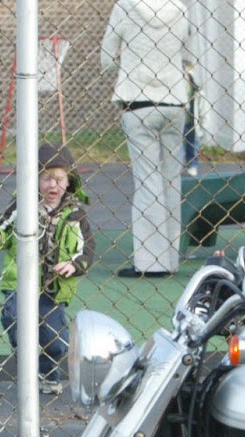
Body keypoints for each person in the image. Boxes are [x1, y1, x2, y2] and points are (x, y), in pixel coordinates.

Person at [0, 142, 96, 396]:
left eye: (59, 179)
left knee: (55, 341)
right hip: (21, 279)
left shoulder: (75, 215)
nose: (52, 185)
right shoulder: (23, 205)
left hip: (52, 285)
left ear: (69, 182)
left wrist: (74, 265)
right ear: (34, 180)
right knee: (13, 315)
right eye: (45, 178)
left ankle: (47, 373)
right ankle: (26, 362)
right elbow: (4, 226)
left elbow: (87, 248)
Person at [101, 0, 193, 278]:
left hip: (138, 101)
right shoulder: (180, 8)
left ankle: (150, 263)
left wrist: (126, 63)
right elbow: (189, 54)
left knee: (147, 183)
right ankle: (170, 258)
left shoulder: (125, 6)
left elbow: (106, 58)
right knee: (170, 182)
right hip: (175, 102)